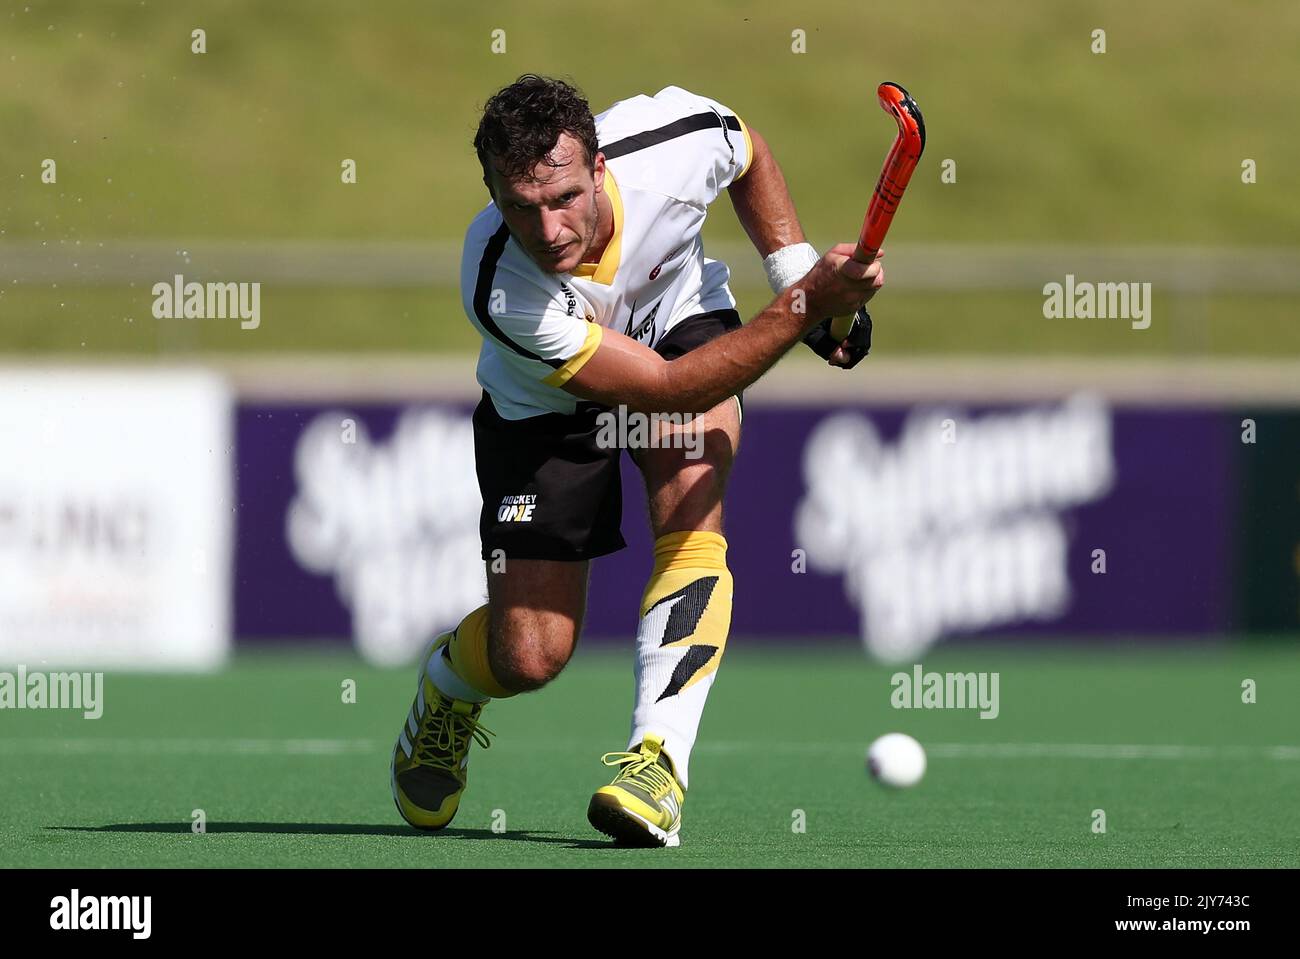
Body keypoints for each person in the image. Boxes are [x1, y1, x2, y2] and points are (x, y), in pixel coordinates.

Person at [391, 74, 883, 847]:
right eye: (519, 207)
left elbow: (748, 151)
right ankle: (449, 687)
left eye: (563, 199)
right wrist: (806, 308)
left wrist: (792, 273)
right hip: (547, 410)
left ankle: (657, 762)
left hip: (677, 320)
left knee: (690, 515)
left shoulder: (671, 143)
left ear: (597, 167)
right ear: (491, 192)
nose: (548, 229)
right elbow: (664, 391)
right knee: (531, 655)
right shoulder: (498, 283)